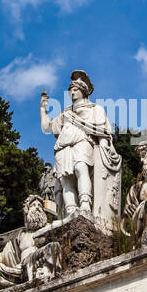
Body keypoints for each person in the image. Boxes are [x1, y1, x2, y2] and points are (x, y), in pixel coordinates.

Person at [39, 69, 121, 225]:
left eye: (75, 89)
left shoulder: (95, 109)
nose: (72, 93)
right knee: (66, 179)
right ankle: (70, 210)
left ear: (83, 91)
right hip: (63, 147)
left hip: (83, 141)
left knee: (80, 169)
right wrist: (43, 108)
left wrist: (105, 148)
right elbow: (47, 128)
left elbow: (104, 132)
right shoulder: (65, 114)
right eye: (70, 90)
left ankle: (85, 204)